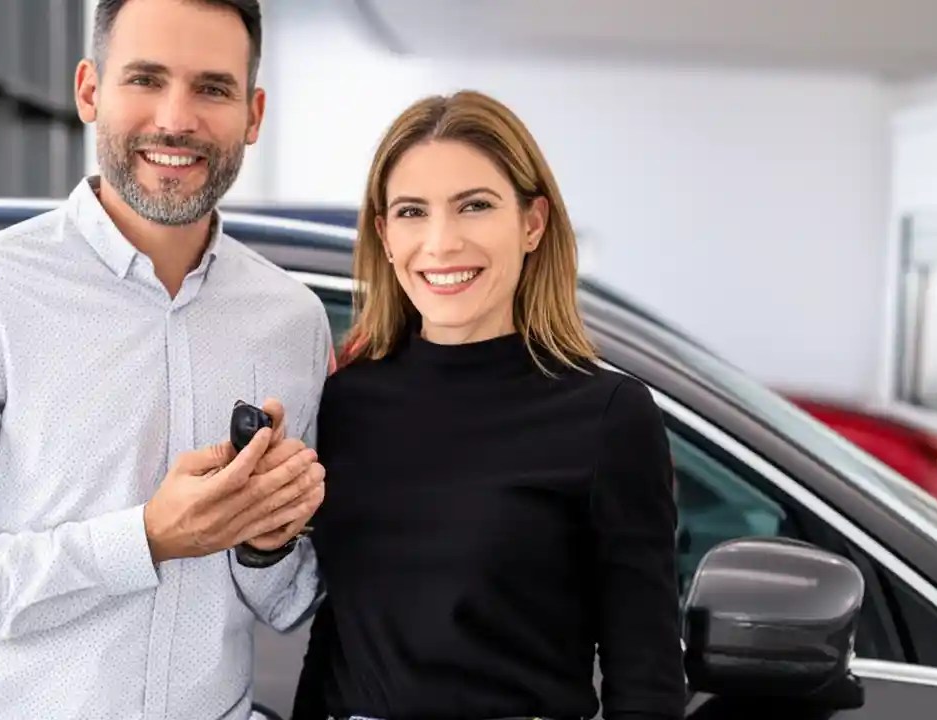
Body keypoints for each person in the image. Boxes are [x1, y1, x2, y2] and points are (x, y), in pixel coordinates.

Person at [0, 1, 329, 718]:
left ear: (253, 114)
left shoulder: (292, 321)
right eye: (145, 78)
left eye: (212, 88)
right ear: (88, 91)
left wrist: (263, 545)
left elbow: (288, 604)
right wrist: (144, 539)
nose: (176, 118)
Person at [291, 90, 687, 720]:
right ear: (386, 235)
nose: (441, 243)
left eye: (474, 206)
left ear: (533, 223)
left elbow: (647, 681)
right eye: (413, 212)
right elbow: (341, 633)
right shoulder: (346, 401)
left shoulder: (609, 415)